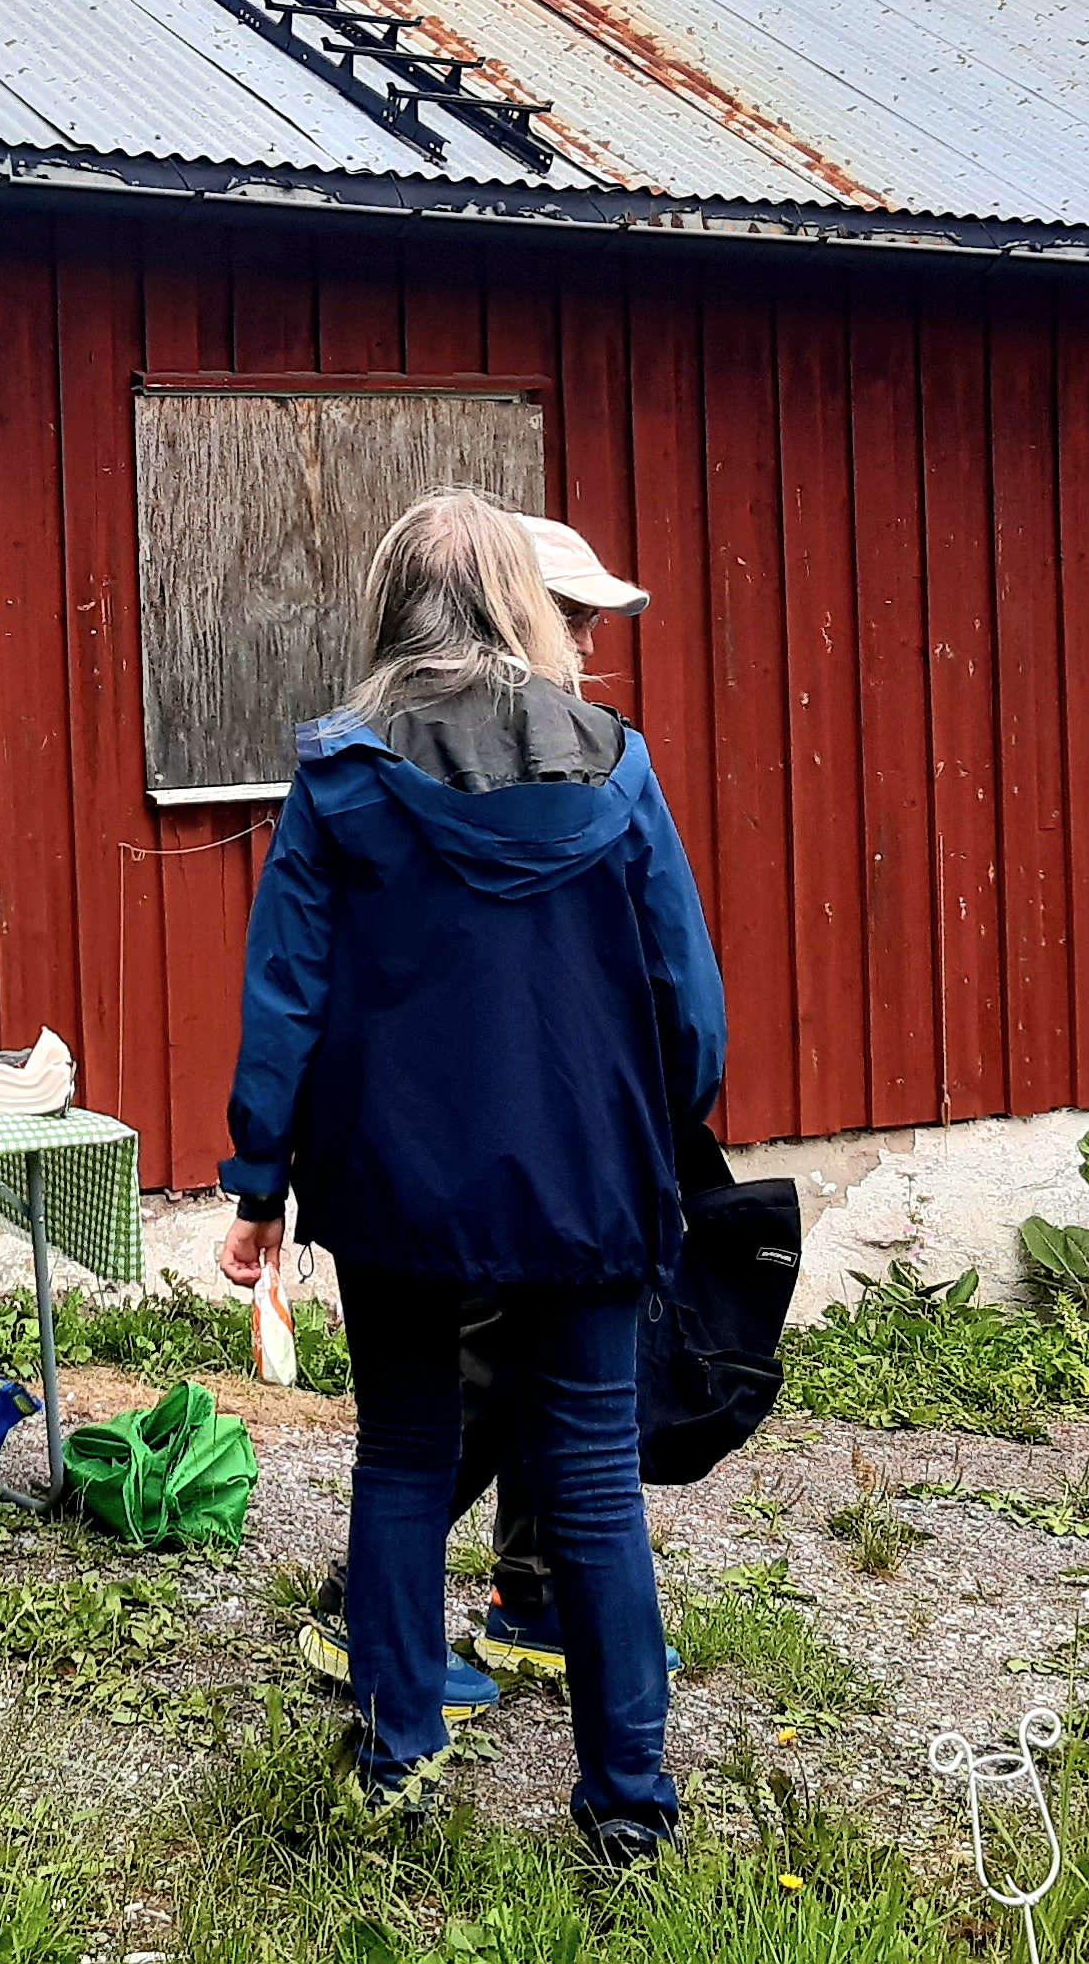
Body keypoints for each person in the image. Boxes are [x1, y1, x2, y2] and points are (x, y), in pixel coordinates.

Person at [214, 489, 724, 1861]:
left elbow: (288, 1001)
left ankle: (398, 1759)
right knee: (595, 1482)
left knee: (401, 1457)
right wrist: (674, 1142)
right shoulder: (618, 767)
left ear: (391, 606)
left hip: (393, 1187)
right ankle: (628, 1809)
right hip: (587, 1182)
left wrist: (259, 1184)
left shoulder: (336, 773)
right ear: (519, 602)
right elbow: (691, 999)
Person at [437, 511, 660, 1692]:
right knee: (487, 1369)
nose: (583, 637)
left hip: (563, 1114)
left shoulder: (595, 749)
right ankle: (365, 1604)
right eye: (568, 614)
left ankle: (531, 1591)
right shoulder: (441, 760)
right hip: (494, 1127)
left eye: (588, 617)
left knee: (545, 1359)